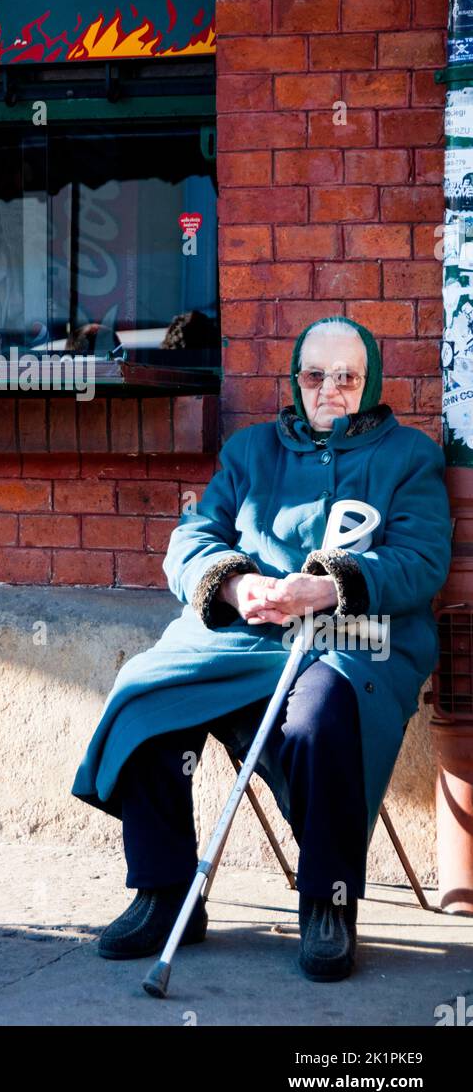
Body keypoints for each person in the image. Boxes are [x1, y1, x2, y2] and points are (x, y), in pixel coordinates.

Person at [71, 315, 452, 981]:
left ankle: (325, 901)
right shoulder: (250, 453)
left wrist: (331, 587)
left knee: (322, 714)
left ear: (369, 383)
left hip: (353, 636)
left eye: (346, 377)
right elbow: (191, 541)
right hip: (245, 635)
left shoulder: (407, 457)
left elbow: (421, 562)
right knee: (145, 693)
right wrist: (234, 584)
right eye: (314, 375)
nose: (328, 389)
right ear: (294, 380)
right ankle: (165, 896)